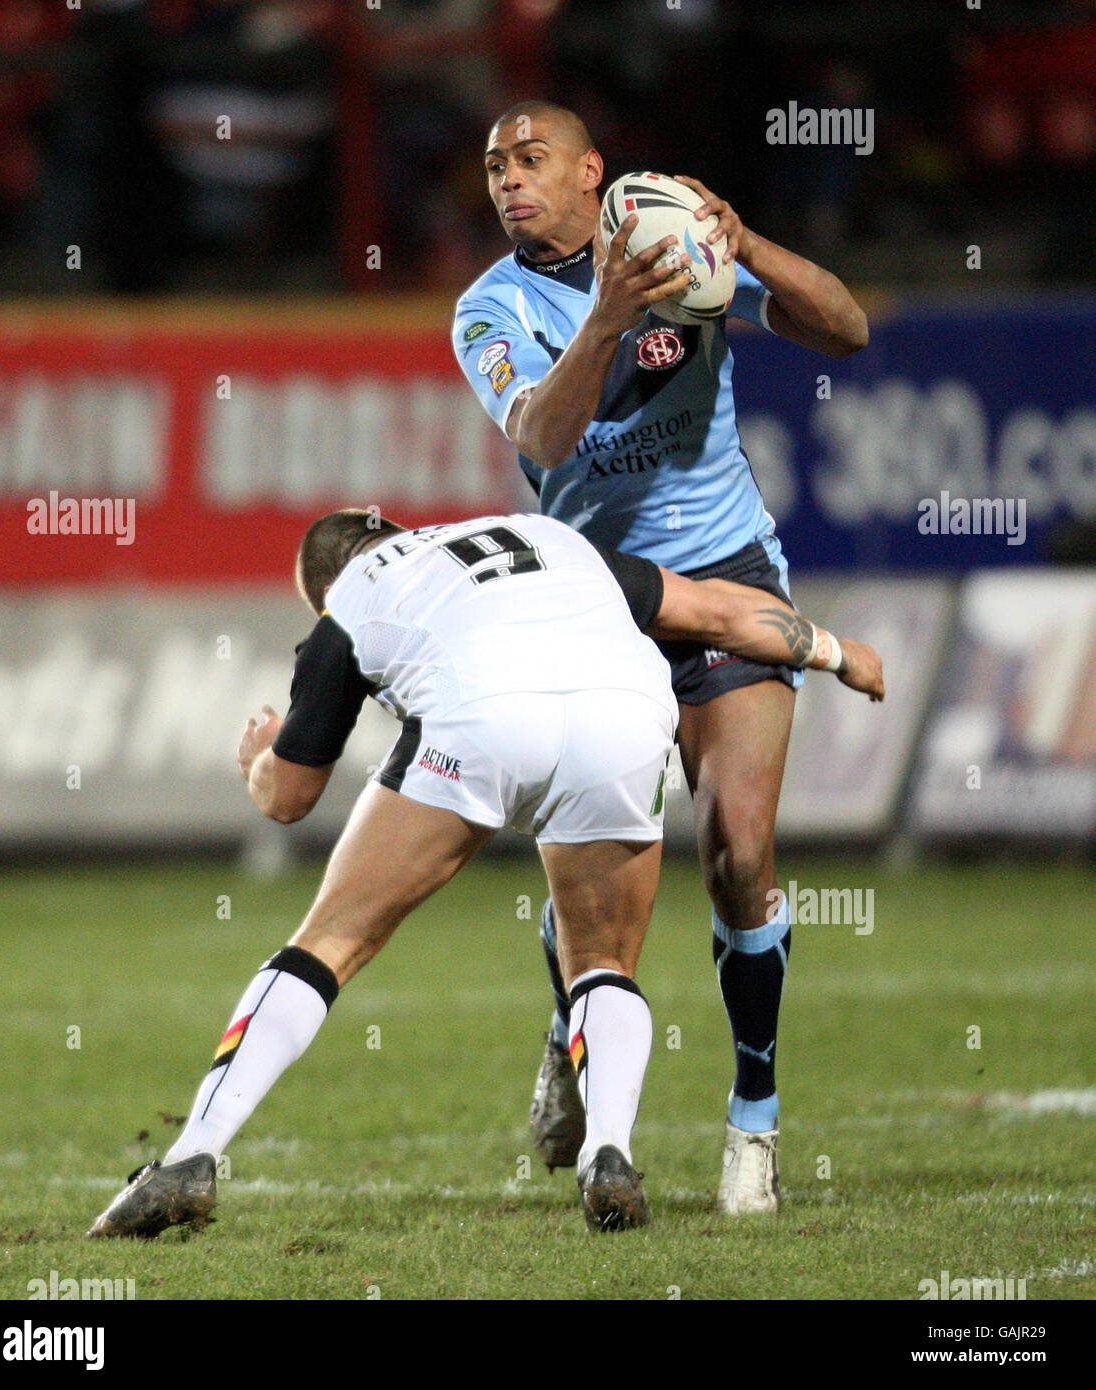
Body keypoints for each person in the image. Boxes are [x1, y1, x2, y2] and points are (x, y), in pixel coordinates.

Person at [87, 510, 882, 1240]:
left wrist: (257, 755)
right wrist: (836, 652)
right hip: (625, 710)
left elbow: (289, 797)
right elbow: (716, 612)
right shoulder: (545, 533)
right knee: (601, 961)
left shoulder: (353, 598)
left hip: (482, 715)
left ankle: (194, 1155)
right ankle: (607, 1149)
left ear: (322, 586)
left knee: (329, 942)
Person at [453, 100, 870, 1211]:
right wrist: (607, 314)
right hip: (599, 608)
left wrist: (744, 243)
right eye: (495, 168)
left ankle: (755, 1123)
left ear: (592, 172)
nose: (508, 182)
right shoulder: (489, 309)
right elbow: (541, 436)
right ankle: (569, 1027)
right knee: (598, 892)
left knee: (739, 852)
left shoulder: (673, 240)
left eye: (531, 161)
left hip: (730, 577)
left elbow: (846, 328)